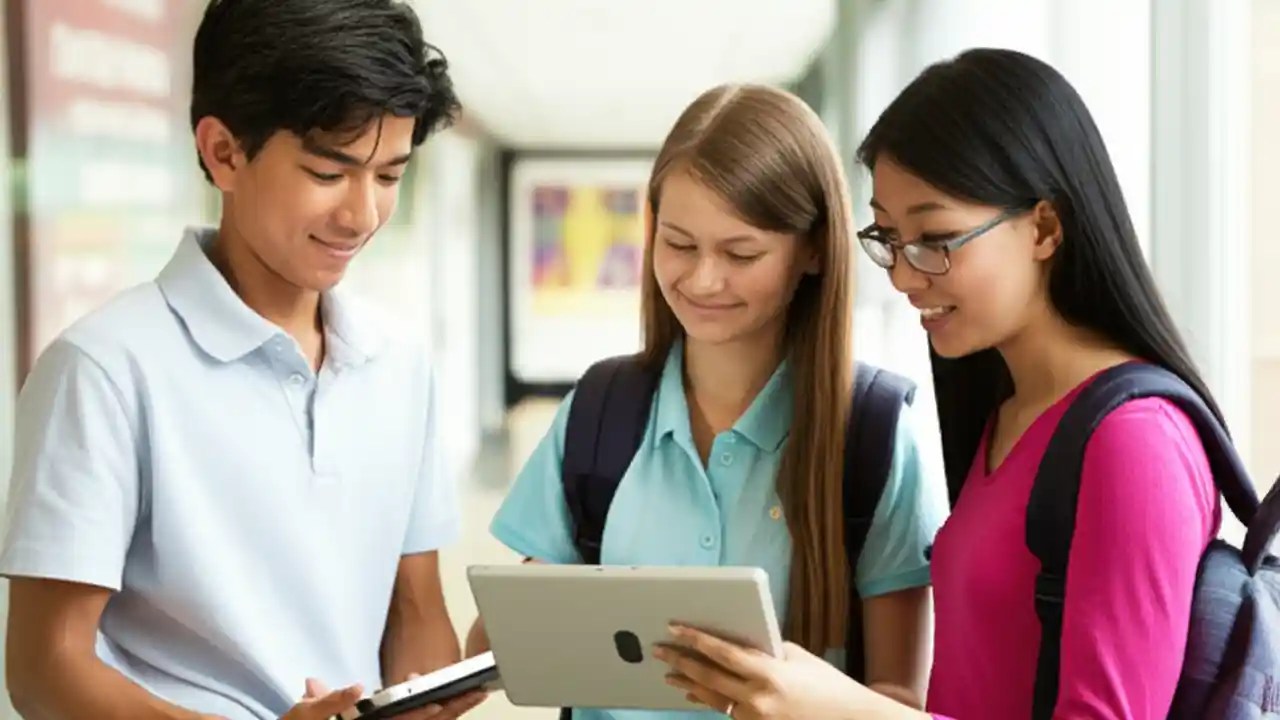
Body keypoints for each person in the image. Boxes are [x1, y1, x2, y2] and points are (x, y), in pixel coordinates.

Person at [658, 47, 1227, 720]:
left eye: (935, 238)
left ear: (1044, 226)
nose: (901, 274)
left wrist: (836, 708)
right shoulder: (1011, 416)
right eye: (889, 238)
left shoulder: (1134, 443)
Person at [0, 1, 484, 719]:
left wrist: (431, 696)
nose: (362, 215)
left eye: (388, 176)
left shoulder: (401, 366)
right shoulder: (103, 368)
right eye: (328, 172)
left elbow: (414, 614)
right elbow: (45, 667)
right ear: (224, 152)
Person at [466, 83, 948, 719]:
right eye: (679, 243)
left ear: (811, 250)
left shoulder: (874, 433)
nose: (702, 280)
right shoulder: (602, 409)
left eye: (740, 252)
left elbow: (898, 701)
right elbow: (494, 646)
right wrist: (520, 628)